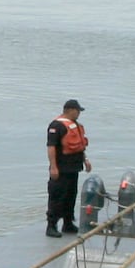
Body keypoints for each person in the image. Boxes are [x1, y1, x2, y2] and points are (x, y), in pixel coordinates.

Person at [46, 99, 92, 237]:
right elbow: (51, 147)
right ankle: (51, 225)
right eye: (78, 111)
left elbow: (79, 146)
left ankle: (68, 223)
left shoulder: (74, 125)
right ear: (70, 110)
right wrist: (53, 167)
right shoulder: (56, 126)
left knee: (71, 196)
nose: (79, 114)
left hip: (74, 168)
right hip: (61, 168)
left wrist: (85, 160)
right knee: (57, 197)